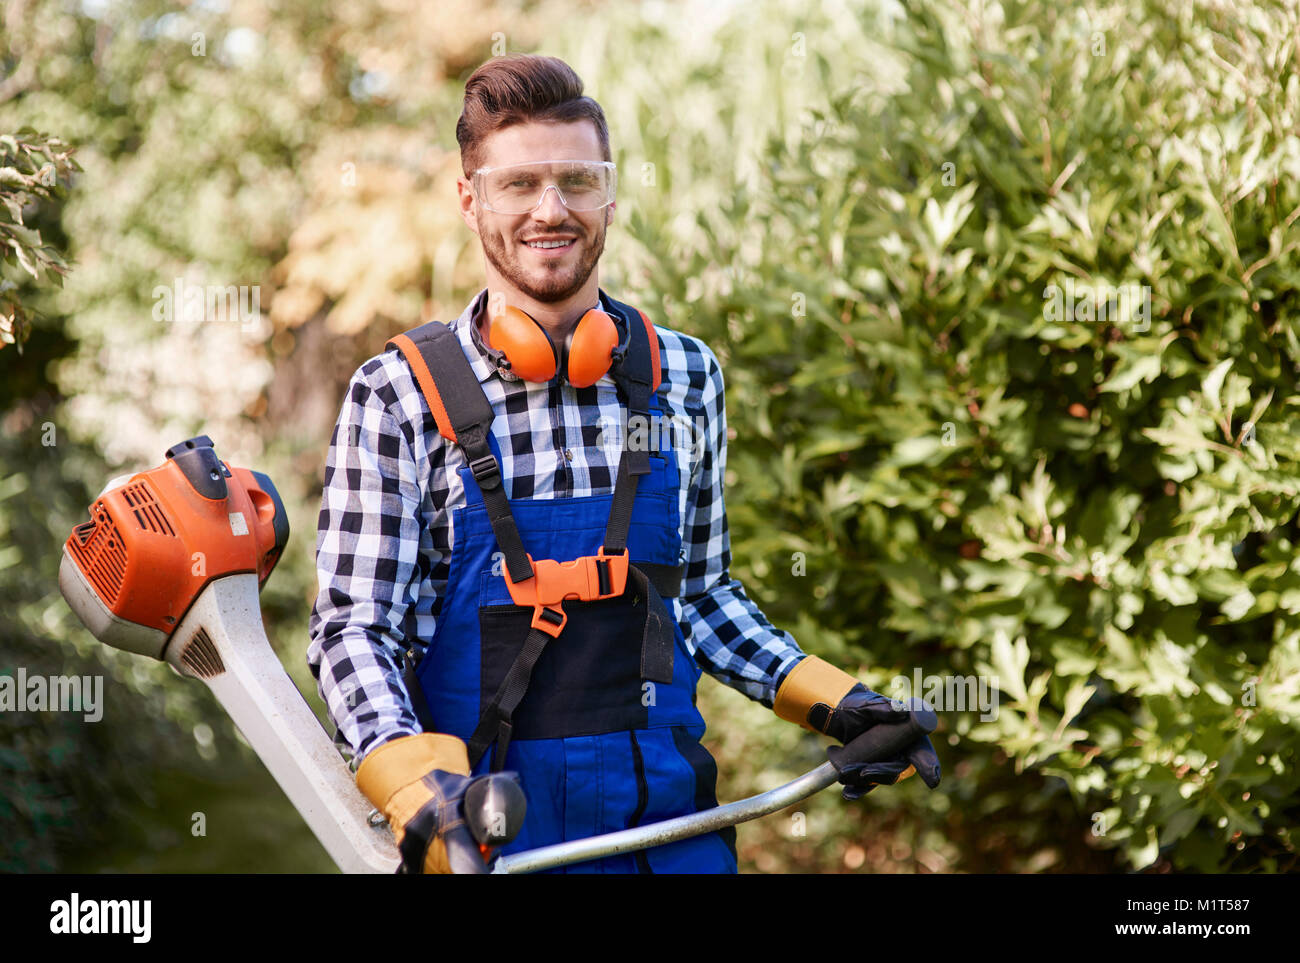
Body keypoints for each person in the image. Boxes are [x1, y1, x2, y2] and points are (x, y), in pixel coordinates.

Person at [307, 53, 940, 875]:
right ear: (470, 200)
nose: (551, 209)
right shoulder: (396, 393)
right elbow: (356, 628)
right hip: (484, 848)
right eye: (519, 184)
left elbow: (703, 598)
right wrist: (415, 792)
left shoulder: (685, 375)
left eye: (576, 180)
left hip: (669, 838)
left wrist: (840, 702)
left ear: (609, 192)